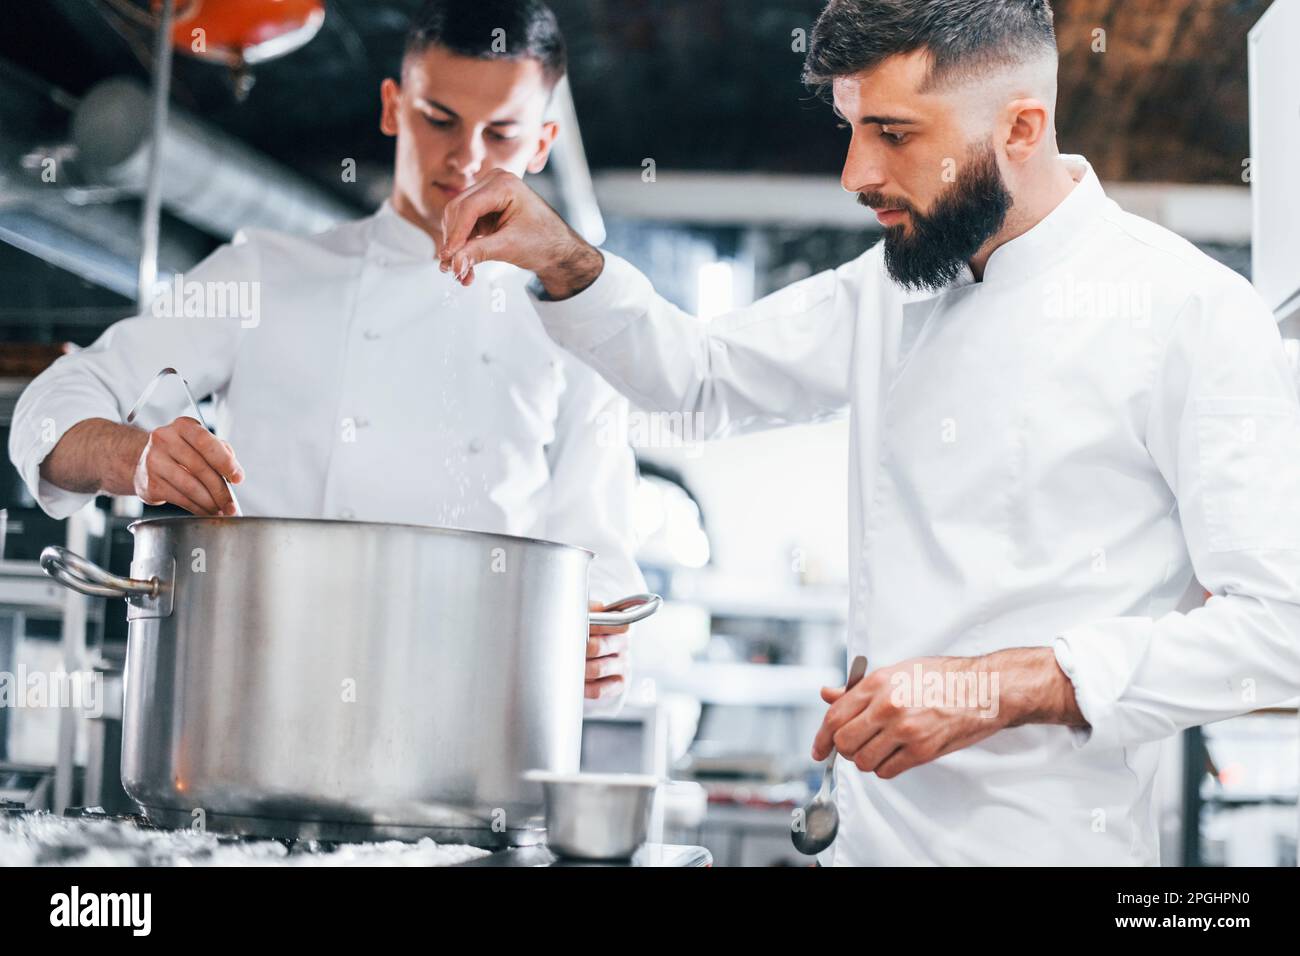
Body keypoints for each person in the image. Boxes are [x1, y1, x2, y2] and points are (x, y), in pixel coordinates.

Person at [434, 0, 1300, 863]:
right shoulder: (892, 288)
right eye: (851, 127)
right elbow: (699, 379)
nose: (855, 173)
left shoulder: (1189, 312)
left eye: (892, 132)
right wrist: (563, 256)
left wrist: (1007, 685)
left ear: (1022, 129)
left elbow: (1282, 628)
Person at [9, 0, 642, 711]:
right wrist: (134, 455)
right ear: (392, 107)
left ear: (542, 143)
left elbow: (599, 565)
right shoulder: (264, 275)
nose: (466, 158)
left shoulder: (573, 322)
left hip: (465, 739)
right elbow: (48, 407)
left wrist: (600, 645)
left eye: (500, 132)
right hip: (257, 716)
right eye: (439, 119)